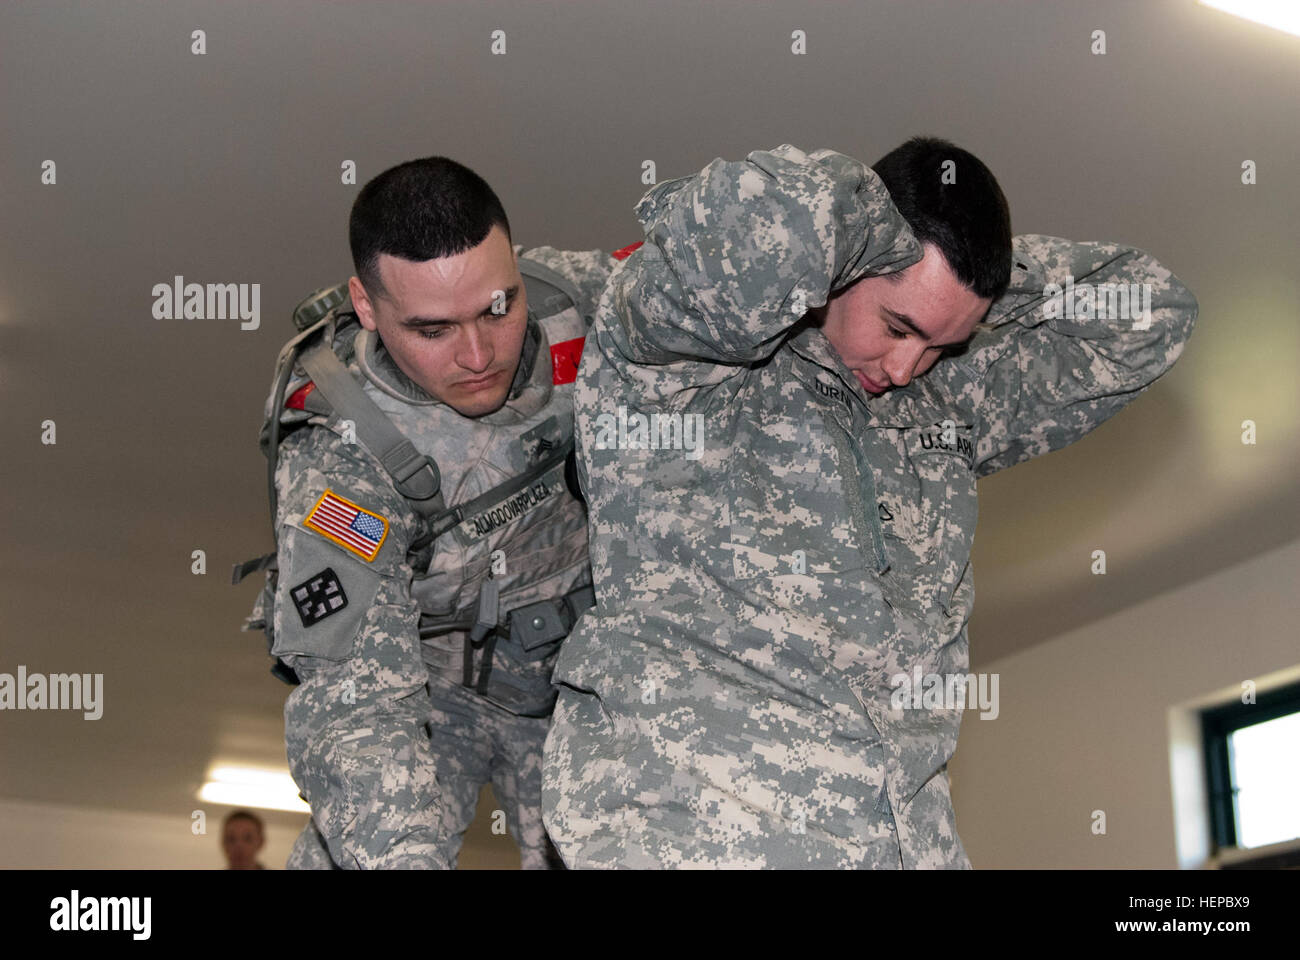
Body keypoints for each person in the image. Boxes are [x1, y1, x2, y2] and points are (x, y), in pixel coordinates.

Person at [541, 139, 1197, 868]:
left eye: (943, 346)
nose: (907, 366)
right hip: (692, 830)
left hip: (901, 843)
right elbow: (754, 227)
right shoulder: (689, 371)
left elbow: (1151, 311)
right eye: (899, 326)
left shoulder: (935, 403)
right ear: (843, 265)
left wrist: (970, 285)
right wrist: (873, 232)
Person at [242, 156, 620, 868]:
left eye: (497, 308)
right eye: (432, 329)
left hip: (592, 673)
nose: (478, 354)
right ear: (366, 307)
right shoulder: (344, 453)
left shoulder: (585, 301)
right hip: (429, 690)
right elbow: (356, 701)